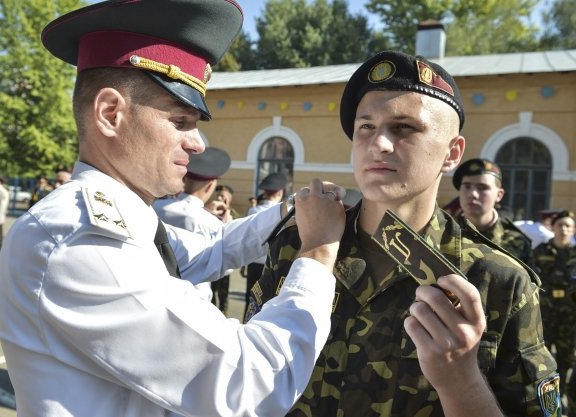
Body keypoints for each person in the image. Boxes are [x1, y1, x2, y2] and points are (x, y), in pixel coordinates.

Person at [0, 1, 347, 416]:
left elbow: (212, 246)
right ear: (111, 114)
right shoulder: (78, 241)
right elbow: (251, 382)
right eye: (180, 121)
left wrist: (294, 210)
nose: (197, 144)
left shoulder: (123, 219)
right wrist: (318, 254)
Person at [245, 50, 560, 417]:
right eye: (366, 127)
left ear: (452, 153)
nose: (378, 143)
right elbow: (249, 378)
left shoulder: (499, 283)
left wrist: (462, 381)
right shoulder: (299, 245)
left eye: (404, 128)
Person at [152, 146, 231, 301]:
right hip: (194, 299)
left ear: (185, 178)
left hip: (156, 292)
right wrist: (227, 226)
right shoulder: (210, 222)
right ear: (210, 186)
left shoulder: (156, 207)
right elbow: (225, 264)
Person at [532, 210, 576, 416]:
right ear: (553, 228)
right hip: (546, 316)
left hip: (570, 318)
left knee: (567, 361)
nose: (564, 229)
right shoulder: (540, 251)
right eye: (560, 225)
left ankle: (564, 400)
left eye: (568, 226)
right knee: (545, 362)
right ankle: (549, 404)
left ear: (573, 229)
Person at [453, 158, 533, 264]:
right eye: (467, 186)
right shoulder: (442, 232)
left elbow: (529, 280)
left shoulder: (517, 241)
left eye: (482, 188)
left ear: (499, 195)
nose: (473, 194)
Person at [242, 172, 288, 316]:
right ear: (280, 192)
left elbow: (246, 239)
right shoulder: (286, 213)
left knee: (250, 298)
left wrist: (244, 263)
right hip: (273, 264)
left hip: (253, 261)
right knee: (268, 302)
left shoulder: (254, 210)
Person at [212, 183, 239, 312]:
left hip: (225, 261)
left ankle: (223, 316)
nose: (219, 198)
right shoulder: (210, 211)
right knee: (210, 295)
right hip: (210, 258)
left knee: (223, 296)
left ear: (229, 198)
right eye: (218, 195)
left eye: (222, 196)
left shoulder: (233, 214)